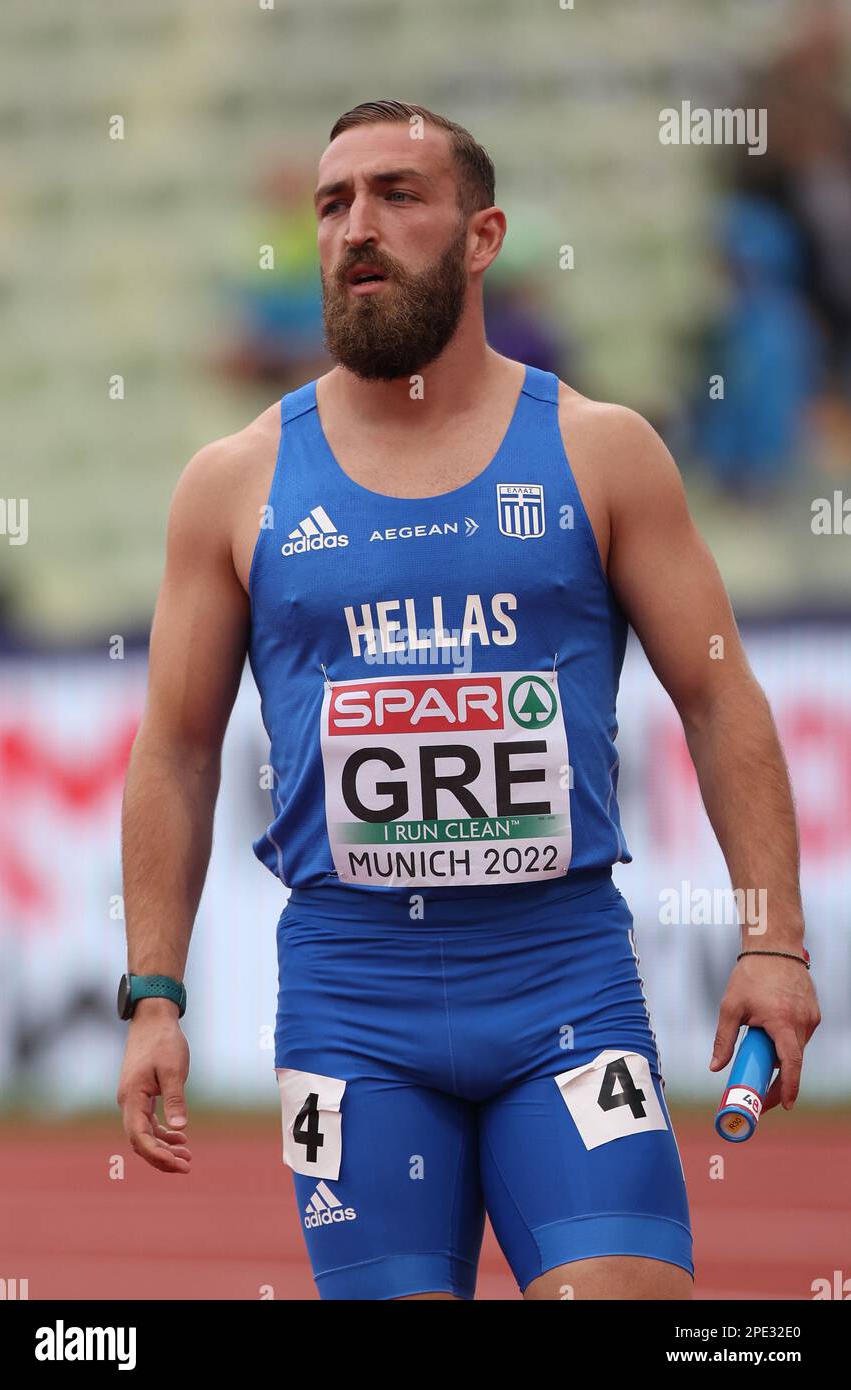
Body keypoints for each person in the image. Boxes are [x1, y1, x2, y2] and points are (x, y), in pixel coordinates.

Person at [117, 100, 820, 1302]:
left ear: (481, 235)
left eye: (398, 194)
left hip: (563, 982)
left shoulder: (601, 455)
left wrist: (771, 937)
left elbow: (716, 697)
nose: (357, 227)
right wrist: (153, 996)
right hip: (350, 1007)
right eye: (334, 203)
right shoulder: (234, 483)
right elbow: (177, 751)